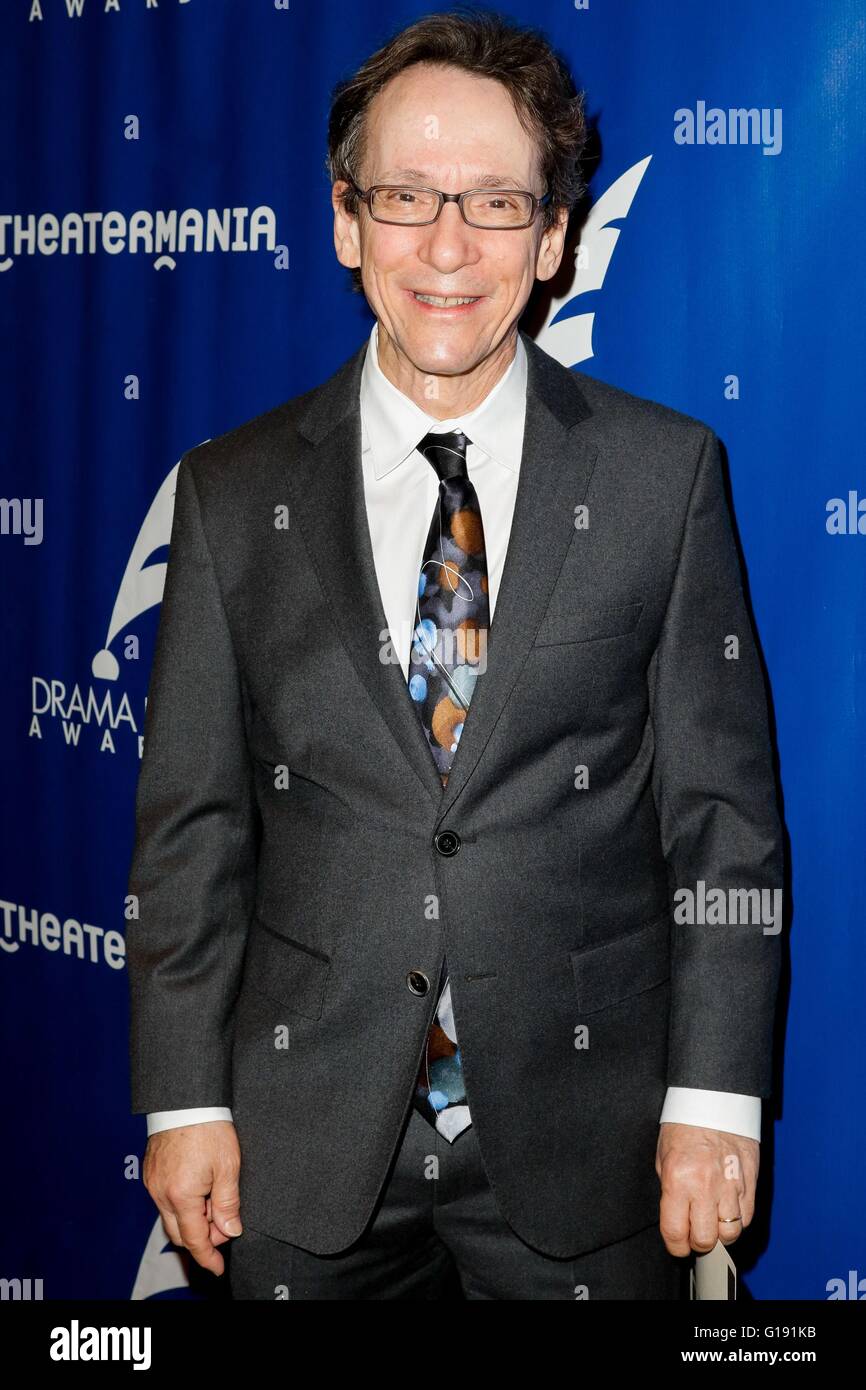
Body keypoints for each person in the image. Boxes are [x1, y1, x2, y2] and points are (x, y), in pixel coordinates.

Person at [127, 9, 783, 1300]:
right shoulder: (226, 495)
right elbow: (189, 834)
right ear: (343, 219)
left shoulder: (663, 477)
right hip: (298, 1143)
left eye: (493, 203)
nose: (443, 246)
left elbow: (723, 826)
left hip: (589, 1145)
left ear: (551, 240)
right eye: (406, 196)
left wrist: (714, 1094)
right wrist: (180, 1098)